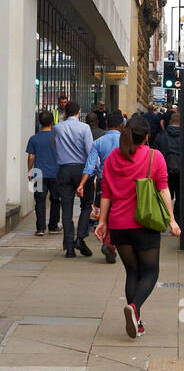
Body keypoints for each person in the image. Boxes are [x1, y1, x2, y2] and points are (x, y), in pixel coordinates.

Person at [95, 114, 180, 338]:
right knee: (151, 271)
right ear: (147, 136)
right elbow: (163, 190)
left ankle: (137, 321)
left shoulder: (113, 158)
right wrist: (171, 220)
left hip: (119, 224)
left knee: (132, 272)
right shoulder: (155, 157)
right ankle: (134, 308)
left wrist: (103, 222)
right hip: (145, 223)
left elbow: (106, 193)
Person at [78, 109, 124, 262]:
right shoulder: (125, 141)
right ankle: (110, 243)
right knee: (118, 214)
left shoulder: (98, 142)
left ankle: (108, 242)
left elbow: (90, 166)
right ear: (120, 125)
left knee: (106, 212)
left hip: (104, 180)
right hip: (122, 181)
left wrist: (82, 184)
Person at [52, 101, 95, 257]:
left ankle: (69, 246)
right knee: (86, 205)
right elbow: (90, 150)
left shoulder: (57, 128)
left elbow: (54, 146)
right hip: (81, 169)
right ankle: (80, 237)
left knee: (67, 208)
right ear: (79, 111)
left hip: (64, 169)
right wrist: (93, 170)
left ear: (65, 112)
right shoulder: (85, 128)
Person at [26, 110, 61, 236]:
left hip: (39, 173)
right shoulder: (57, 138)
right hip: (56, 173)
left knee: (40, 200)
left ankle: (40, 228)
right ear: (52, 122)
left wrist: (30, 171)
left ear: (40, 123)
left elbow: (31, 157)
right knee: (56, 199)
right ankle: (53, 226)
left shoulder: (34, 138)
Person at [155, 109, 182, 226]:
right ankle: (177, 220)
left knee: (165, 195)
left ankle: (165, 219)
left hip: (165, 172)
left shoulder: (161, 136)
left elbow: (154, 153)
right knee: (180, 198)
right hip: (181, 173)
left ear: (170, 121)